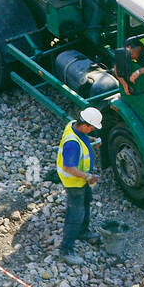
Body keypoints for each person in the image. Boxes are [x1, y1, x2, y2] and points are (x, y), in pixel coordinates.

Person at [56, 106, 102, 265]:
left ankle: (83, 231)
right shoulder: (72, 144)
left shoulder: (72, 125)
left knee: (86, 202)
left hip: (81, 181)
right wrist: (88, 176)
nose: (92, 130)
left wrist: (91, 142)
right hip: (74, 182)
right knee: (75, 215)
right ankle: (66, 250)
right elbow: (69, 167)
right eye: (92, 128)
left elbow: (82, 140)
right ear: (85, 125)